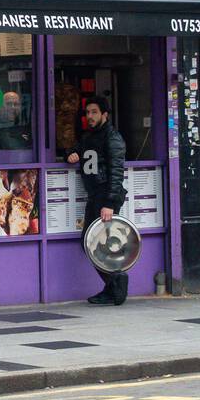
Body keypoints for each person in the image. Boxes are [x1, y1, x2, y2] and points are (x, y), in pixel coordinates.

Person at [67, 95, 129, 306]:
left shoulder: (112, 138)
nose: (90, 116)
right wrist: (72, 154)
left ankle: (115, 281)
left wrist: (110, 203)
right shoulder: (88, 137)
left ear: (104, 114)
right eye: (87, 113)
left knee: (95, 243)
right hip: (95, 196)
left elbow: (117, 172)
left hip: (105, 197)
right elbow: (74, 148)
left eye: (94, 112)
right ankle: (112, 285)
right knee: (93, 243)